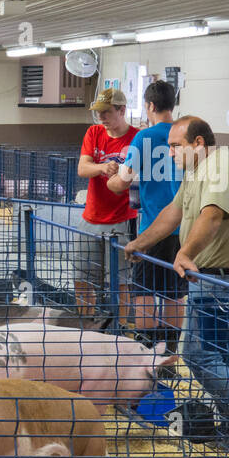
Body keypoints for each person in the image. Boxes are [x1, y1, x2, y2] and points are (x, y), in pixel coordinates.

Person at [125, 116, 229, 426]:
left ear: (198, 143)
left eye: (175, 146)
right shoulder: (196, 169)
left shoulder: (221, 169)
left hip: (220, 278)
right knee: (228, 356)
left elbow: (211, 217)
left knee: (197, 353)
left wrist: (184, 253)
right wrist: (141, 242)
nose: (171, 153)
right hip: (213, 275)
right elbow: (174, 211)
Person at [108, 80, 183, 349]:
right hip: (182, 227)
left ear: (150, 105)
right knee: (176, 293)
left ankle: (145, 351)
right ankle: (170, 352)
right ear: (172, 105)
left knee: (144, 292)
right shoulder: (183, 134)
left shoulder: (144, 137)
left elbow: (123, 181)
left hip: (152, 226)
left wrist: (111, 180)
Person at [76, 87, 138, 317]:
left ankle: (119, 329)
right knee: (82, 278)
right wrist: (102, 167)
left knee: (120, 281)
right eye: (98, 113)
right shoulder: (94, 133)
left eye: (106, 112)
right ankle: (87, 325)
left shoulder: (136, 138)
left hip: (121, 220)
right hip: (90, 218)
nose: (101, 117)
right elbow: (83, 168)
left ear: (122, 110)